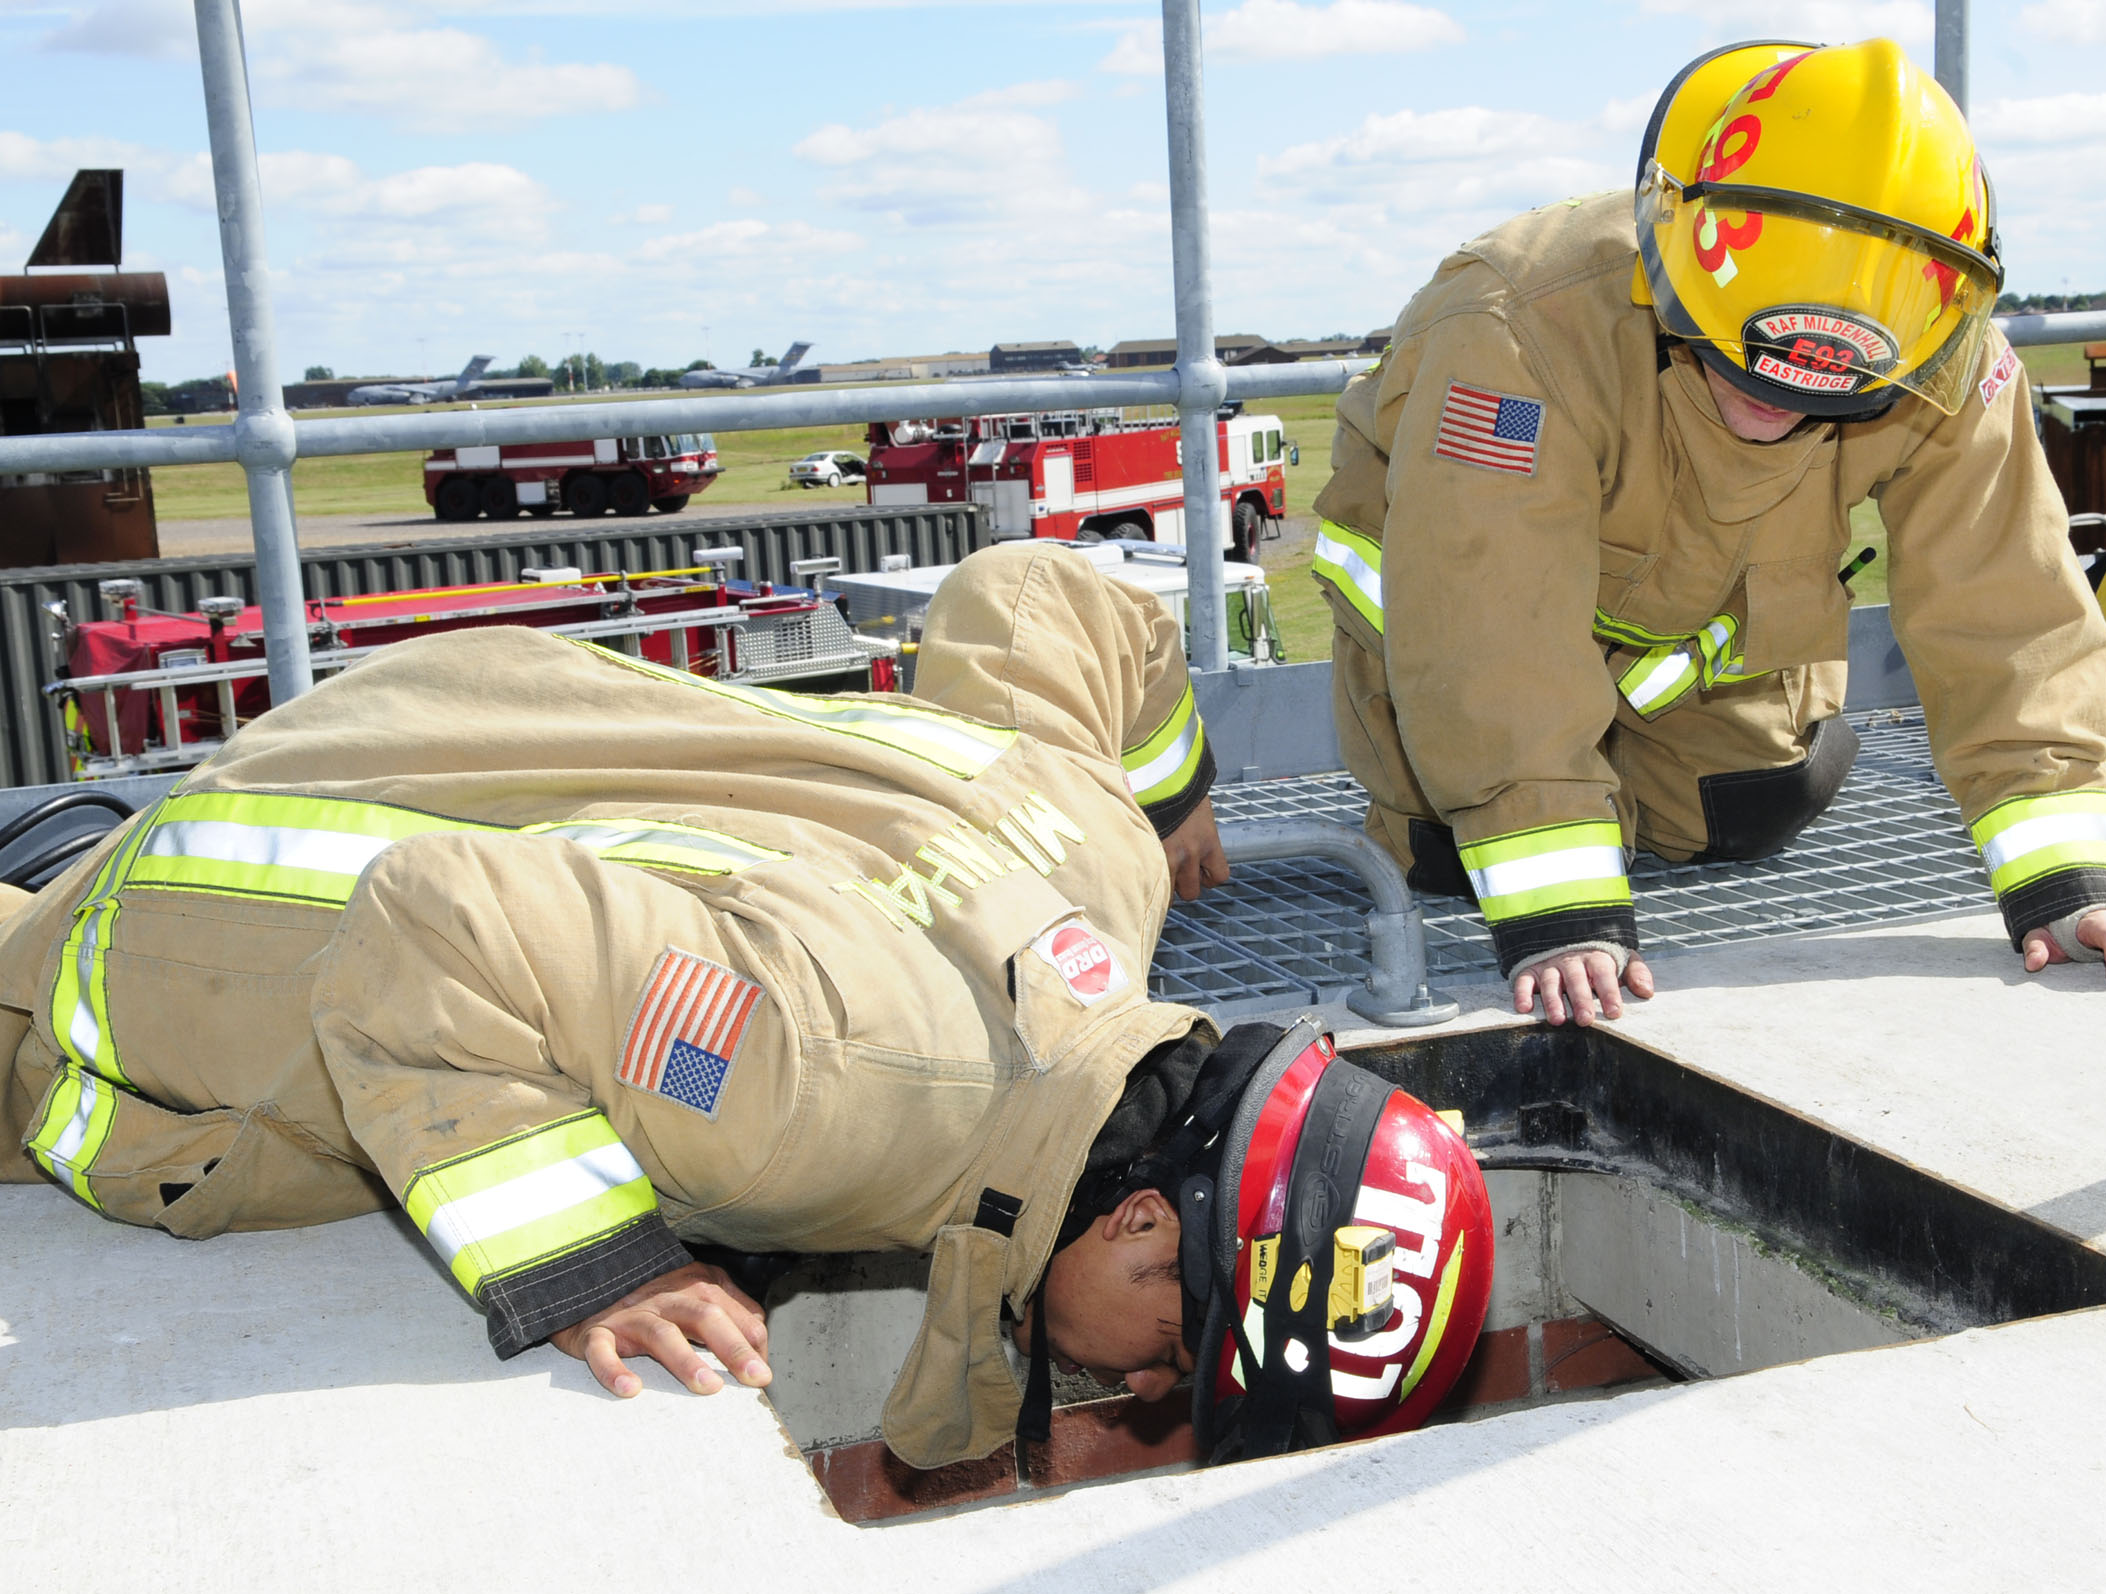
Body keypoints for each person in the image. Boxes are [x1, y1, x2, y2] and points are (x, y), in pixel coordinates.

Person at [0, 543, 1496, 1471]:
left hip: (416, 734)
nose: (1150, 1381)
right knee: (127, 1125)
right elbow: (436, 929)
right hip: (223, 928)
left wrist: (1163, 794)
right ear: (1142, 1222)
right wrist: (596, 1265)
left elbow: (1037, 594)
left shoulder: (1096, 857)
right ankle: (49, 888)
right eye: (1186, 1347)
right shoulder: (818, 1096)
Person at [1311, 38, 2106, 1031]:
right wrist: (1560, 902)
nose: (1772, 404)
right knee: (1460, 853)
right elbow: (1482, 611)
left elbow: (2007, 600)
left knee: (1753, 808)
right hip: (1454, 632)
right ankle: (1532, 801)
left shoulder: (1944, 340)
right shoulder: (1514, 324)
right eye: (1742, 364)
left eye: (1828, 391)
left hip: (1683, 638)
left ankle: (1613, 787)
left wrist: (2069, 879)